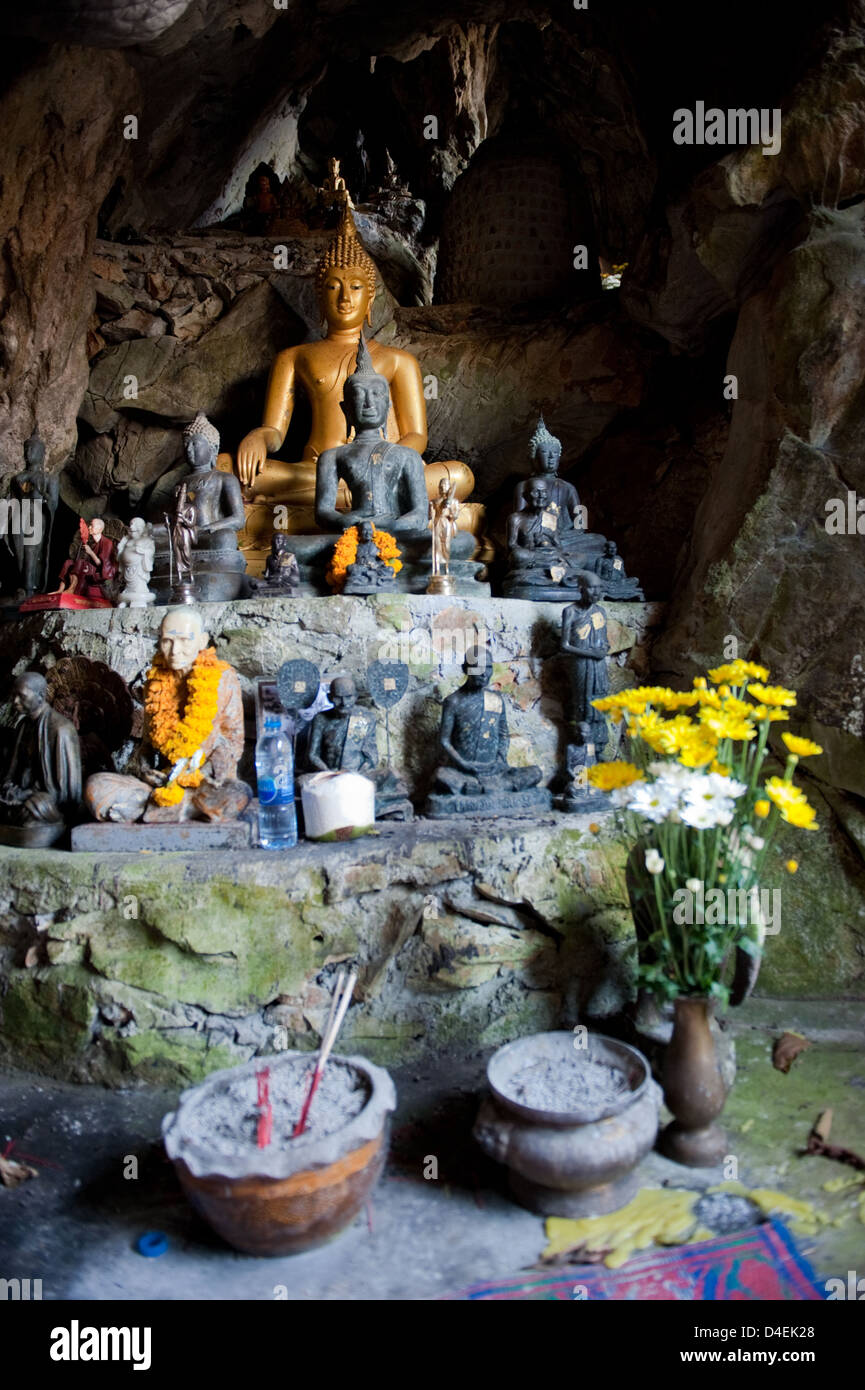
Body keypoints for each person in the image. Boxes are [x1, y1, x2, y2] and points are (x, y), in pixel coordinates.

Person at [315, 335, 430, 538]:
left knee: (459, 542)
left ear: (388, 407)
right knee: (288, 545)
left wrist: (388, 527)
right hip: (354, 532)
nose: (369, 403)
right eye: (360, 394)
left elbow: (420, 515)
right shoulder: (331, 457)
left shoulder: (407, 455)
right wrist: (348, 521)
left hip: (396, 533)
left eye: (377, 394)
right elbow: (323, 513)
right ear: (346, 409)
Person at [431, 647, 543, 797]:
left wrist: (500, 760)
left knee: (535, 773)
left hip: (495, 770)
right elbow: (444, 741)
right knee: (441, 775)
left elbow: (503, 735)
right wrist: (464, 764)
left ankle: (481, 788)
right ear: (466, 669)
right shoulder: (454, 701)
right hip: (464, 771)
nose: (484, 673)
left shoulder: (496, 700)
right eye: (478, 667)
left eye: (488, 667)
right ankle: (492, 788)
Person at [0, 673, 81, 827]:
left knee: (30, 814)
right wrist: (9, 788)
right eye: (14, 696)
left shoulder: (61, 729)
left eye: (22, 696)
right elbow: (12, 770)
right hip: (21, 793)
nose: (15, 702)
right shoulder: (24, 725)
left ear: (41, 696)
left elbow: (64, 791)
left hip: (43, 800)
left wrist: (27, 794)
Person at [55, 517, 116, 600]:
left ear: (99, 529)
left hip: (100, 572)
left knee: (80, 563)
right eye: (90, 525)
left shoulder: (107, 543)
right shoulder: (93, 544)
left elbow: (101, 564)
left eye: (92, 526)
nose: (89, 527)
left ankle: (72, 589)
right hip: (90, 567)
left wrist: (90, 552)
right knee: (68, 562)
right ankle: (60, 589)